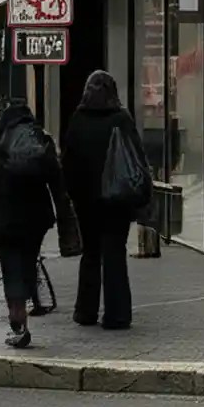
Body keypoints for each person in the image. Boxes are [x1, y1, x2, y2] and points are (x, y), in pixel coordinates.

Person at [0, 101, 67, 348]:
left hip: (3, 216)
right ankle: (28, 297)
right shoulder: (41, 139)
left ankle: (18, 319)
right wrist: (65, 217)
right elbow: (57, 184)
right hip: (36, 216)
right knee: (28, 260)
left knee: (10, 267)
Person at [61, 70, 148, 330]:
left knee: (90, 253)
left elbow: (68, 162)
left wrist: (73, 195)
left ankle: (85, 311)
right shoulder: (121, 119)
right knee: (114, 254)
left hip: (87, 201)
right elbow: (137, 158)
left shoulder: (78, 119)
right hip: (117, 200)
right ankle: (117, 314)